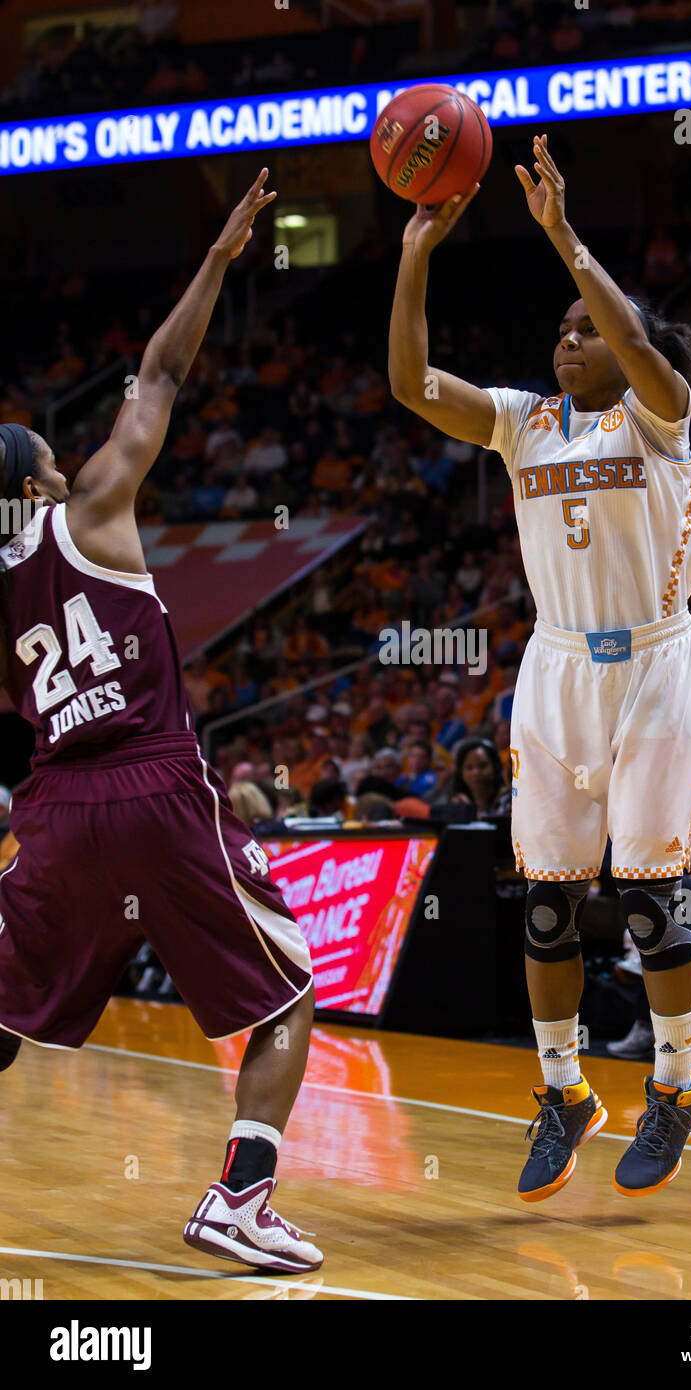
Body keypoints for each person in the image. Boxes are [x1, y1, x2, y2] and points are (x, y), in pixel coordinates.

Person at [0, 172, 322, 1275]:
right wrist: (224, 256)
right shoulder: (89, 505)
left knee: (6, 1012)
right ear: (42, 479)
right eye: (47, 451)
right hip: (150, 784)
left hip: (50, 808)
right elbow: (161, 372)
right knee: (287, 997)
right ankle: (238, 1196)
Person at [388, 133, 691, 1200]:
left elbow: (623, 325)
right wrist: (416, 252)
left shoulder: (662, 417)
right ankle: (565, 1091)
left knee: (652, 894)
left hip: (658, 664)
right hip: (558, 670)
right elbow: (407, 381)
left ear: (624, 349)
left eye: (584, 333)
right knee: (544, 903)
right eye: (559, 332)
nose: (565, 342)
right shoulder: (523, 424)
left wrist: (565, 238)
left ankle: (672, 1087)